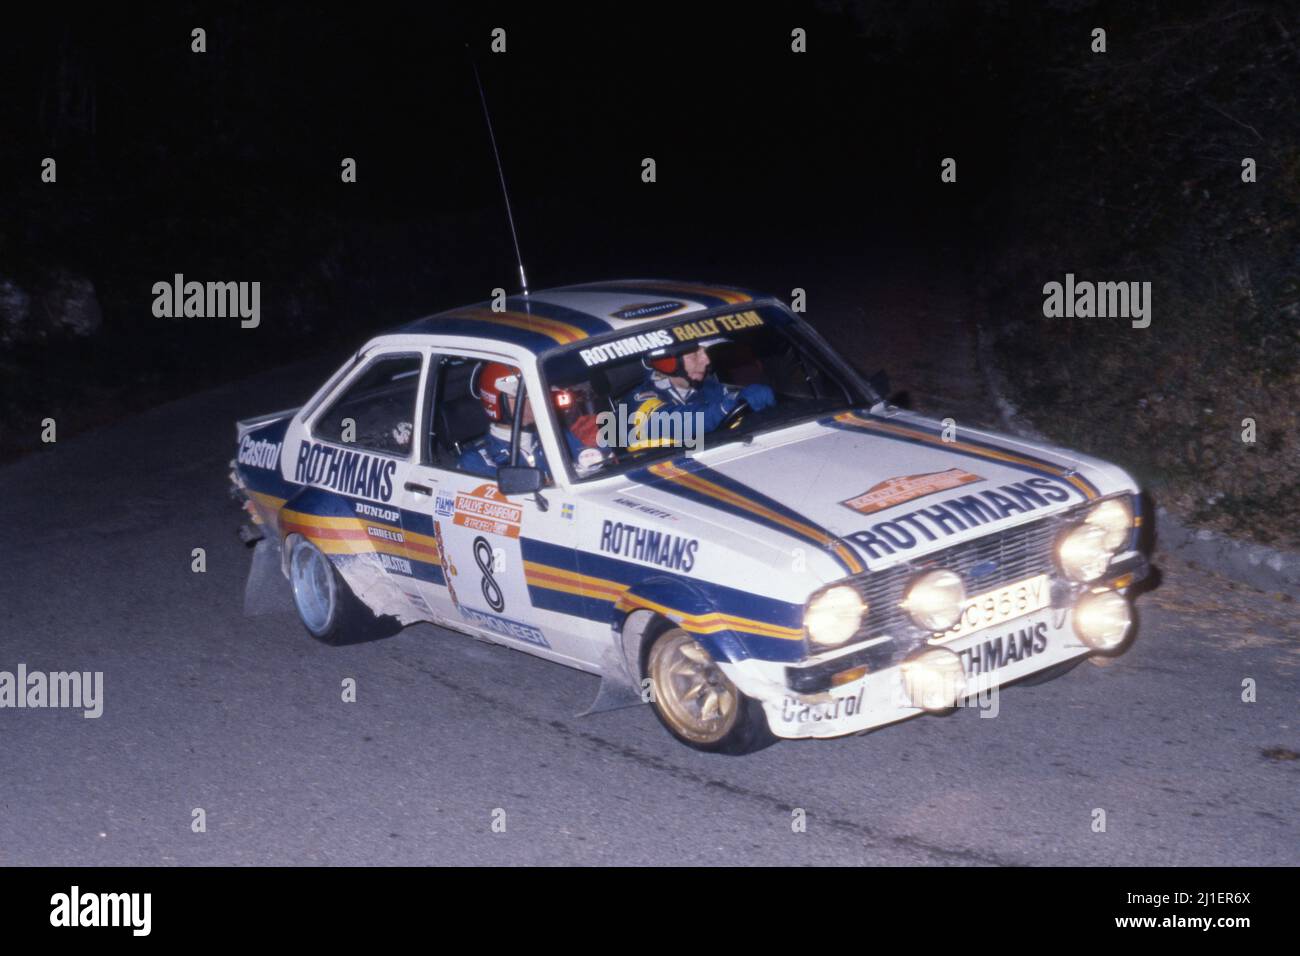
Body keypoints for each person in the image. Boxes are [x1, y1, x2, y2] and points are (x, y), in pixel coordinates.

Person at [619, 342, 776, 450]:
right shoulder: (637, 401)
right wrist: (728, 407)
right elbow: (678, 422)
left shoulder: (711, 389)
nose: (706, 360)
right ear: (666, 361)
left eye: (706, 353)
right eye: (694, 354)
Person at [458, 362, 595, 479]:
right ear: (494, 401)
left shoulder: (561, 436)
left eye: (536, 395)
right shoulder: (477, 461)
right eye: (521, 397)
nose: (533, 403)